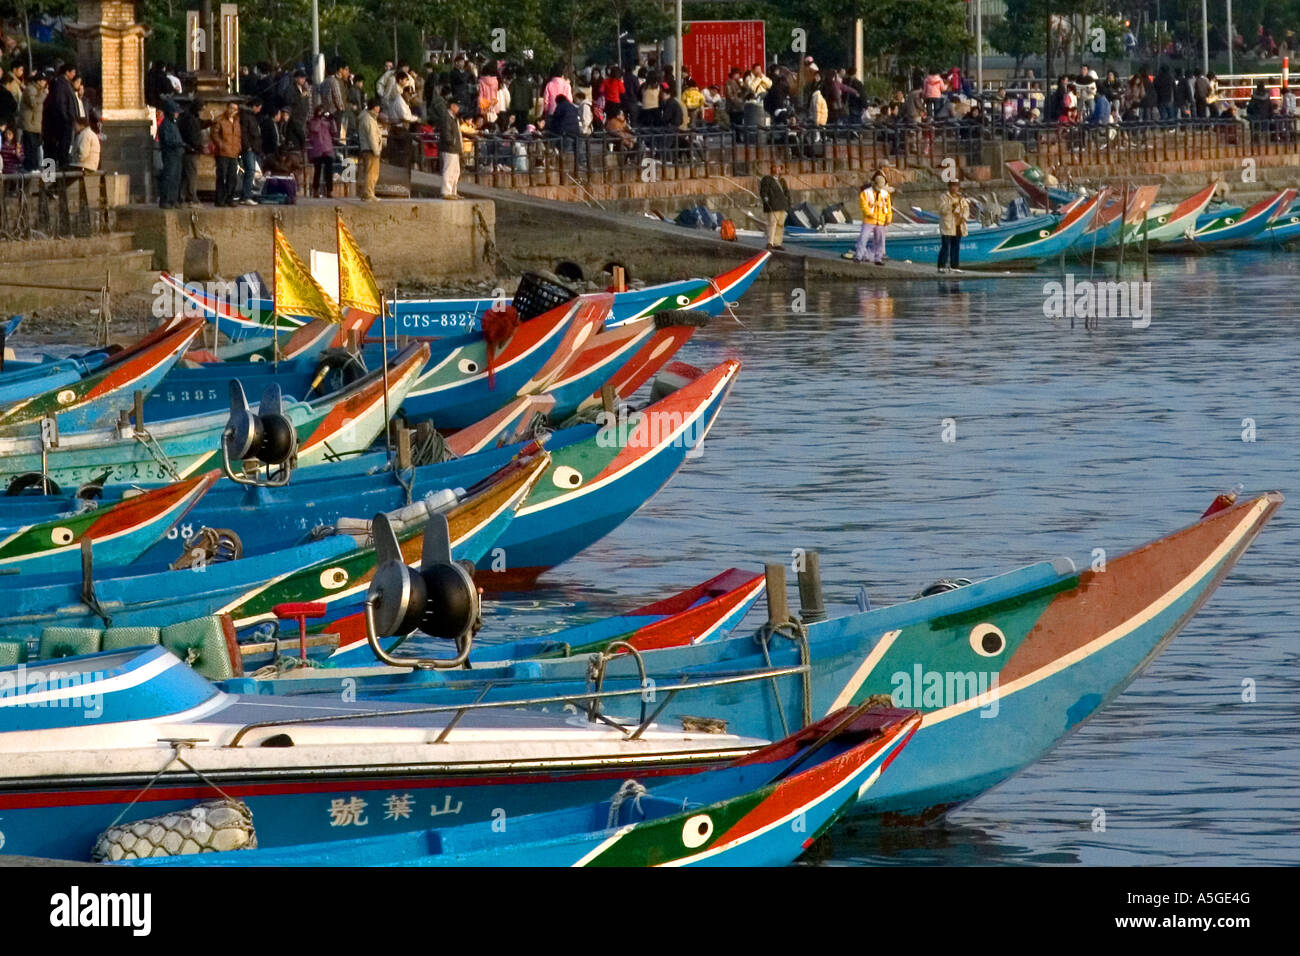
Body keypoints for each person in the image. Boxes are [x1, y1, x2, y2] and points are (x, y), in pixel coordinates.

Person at [43, 63, 78, 168]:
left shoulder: (64, 84)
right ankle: (51, 178)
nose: (74, 74)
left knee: (56, 150)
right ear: (67, 72)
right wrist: (66, 119)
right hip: (59, 124)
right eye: (73, 71)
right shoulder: (61, 84)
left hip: (59, 123)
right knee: (54, 150)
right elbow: (60, 103)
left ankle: (53, 177)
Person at [855, 170, 892, 264]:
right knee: (863, 238)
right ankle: (858, 256)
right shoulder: (865, 193)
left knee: (879, 241)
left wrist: (889, 219)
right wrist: (871, 214)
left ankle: (878, 258)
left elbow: (888, 208)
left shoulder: (886, 194)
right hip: (869, 220)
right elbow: (864, 206)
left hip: (881, 221)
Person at [210, 100, 242, 206]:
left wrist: (239, 148)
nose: (233, 111)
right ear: (227, 108)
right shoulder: (220, 120)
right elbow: (214, 134)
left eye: (235, 109)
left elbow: (238, 136)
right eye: (231, 108)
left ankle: (230, 198)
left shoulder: (237, 121)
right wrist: (221, 145)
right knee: (221, 176)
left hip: (234, 153)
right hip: (222, 153)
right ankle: (220, 199)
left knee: (232, 177)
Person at [937, 180, 969, 273]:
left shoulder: (961, 198)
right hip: (947, 225)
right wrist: (951, 206)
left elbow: (966, 209)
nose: (954, 188)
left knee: (956, 247)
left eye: (956, 186)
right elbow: (941, 209)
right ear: (949, 187)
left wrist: (964, 217)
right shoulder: (943, 197)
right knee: (945, 246)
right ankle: (941, 266)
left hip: (958, 225)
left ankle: (954, 266)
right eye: (952, 186)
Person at [178, 98, 205, 205]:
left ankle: (181, 196)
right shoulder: (191, 119)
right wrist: (198, 147)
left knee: (185, 175)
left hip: (187, 149)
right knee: (191, 175)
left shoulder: (186, 117)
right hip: (191, 150)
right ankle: (192, 196)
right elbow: (193, 135)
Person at [157, 101, 184, 207]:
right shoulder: (166, 125)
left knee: (176, 177)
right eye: (175, 112)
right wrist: (179, 143)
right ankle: (165, 200)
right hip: (170, 154)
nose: (177, 114)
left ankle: (173, 199)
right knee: (169, 176)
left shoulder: (173, 124)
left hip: (177, 154)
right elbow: (168, 140)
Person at [758, 162, 791, 250]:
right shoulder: (767, 179)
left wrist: (789, 202)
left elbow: (787, 192)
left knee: (780, 225)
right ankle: (770, 242)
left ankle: (777, 243)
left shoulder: (782, 181)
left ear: (781, 169)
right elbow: (763, 191)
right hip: (773, 205)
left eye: (779, 168)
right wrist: (765, 198)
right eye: (775, 167)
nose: (777, 169)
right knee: (772, 224)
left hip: (782, 205)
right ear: (772, 169)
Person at [306, 105, 337, 198]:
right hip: (318, 149)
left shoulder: (327, 122)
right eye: (320, 112)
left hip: (327, 149)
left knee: (329, 171)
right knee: (317, 171)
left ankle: (329, 190)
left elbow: (334, 130)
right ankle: (315, 190)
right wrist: (319, 119)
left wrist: (332, 120)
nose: (322, 114)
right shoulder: (312, 122)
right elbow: (314, 129)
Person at [18, 72, 46, 171]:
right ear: (38, 81)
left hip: (35, 125)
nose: (45, 83)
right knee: (30, 149)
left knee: (35, 149)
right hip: (29, 124)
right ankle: (30, 168)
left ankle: (34, 168)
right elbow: (33, 104)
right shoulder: (30, 89)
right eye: (43, 81)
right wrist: (43, 95)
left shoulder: (39, 90)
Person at [238, 99, 264, 204]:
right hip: (249, 149)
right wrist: (248, 146)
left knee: (250, 171)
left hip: (253, 148)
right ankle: (246, 196)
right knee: (250, 171)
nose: (259, 110)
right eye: (258, 107)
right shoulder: (246, 117)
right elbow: (244, 133)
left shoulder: (252, 117)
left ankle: (246, 195)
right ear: (254, 106)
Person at [357, 97, 383, 201]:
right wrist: (376, 151)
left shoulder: (367, 117)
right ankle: (369, 194)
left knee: (369, 172)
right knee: (372, 173)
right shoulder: (369, 119)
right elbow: (372, 137)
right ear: (375, 107)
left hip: (367, 149)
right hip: (370, 150)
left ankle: (367, 193)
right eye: (378, 106)